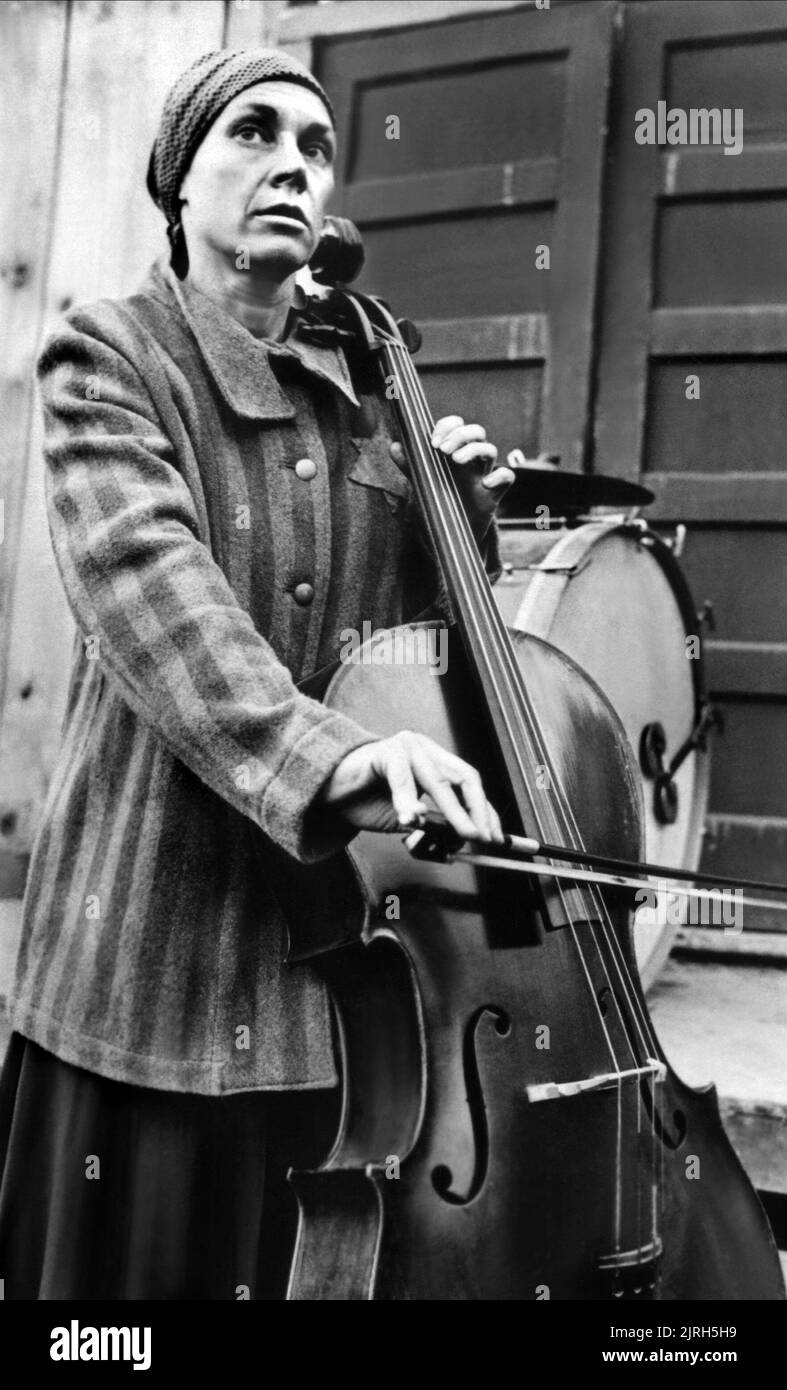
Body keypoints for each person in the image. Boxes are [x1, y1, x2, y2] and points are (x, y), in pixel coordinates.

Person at [0, 48, 513, 1299]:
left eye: (318, 146)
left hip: (325, 984)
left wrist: (457, 536)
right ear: (179, 184)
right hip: (145, 962)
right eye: (252, 133)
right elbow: (160, 607)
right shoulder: (110, 359)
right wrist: (341, 760)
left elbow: (394, 665)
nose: (292, 161)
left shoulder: (360, 399)